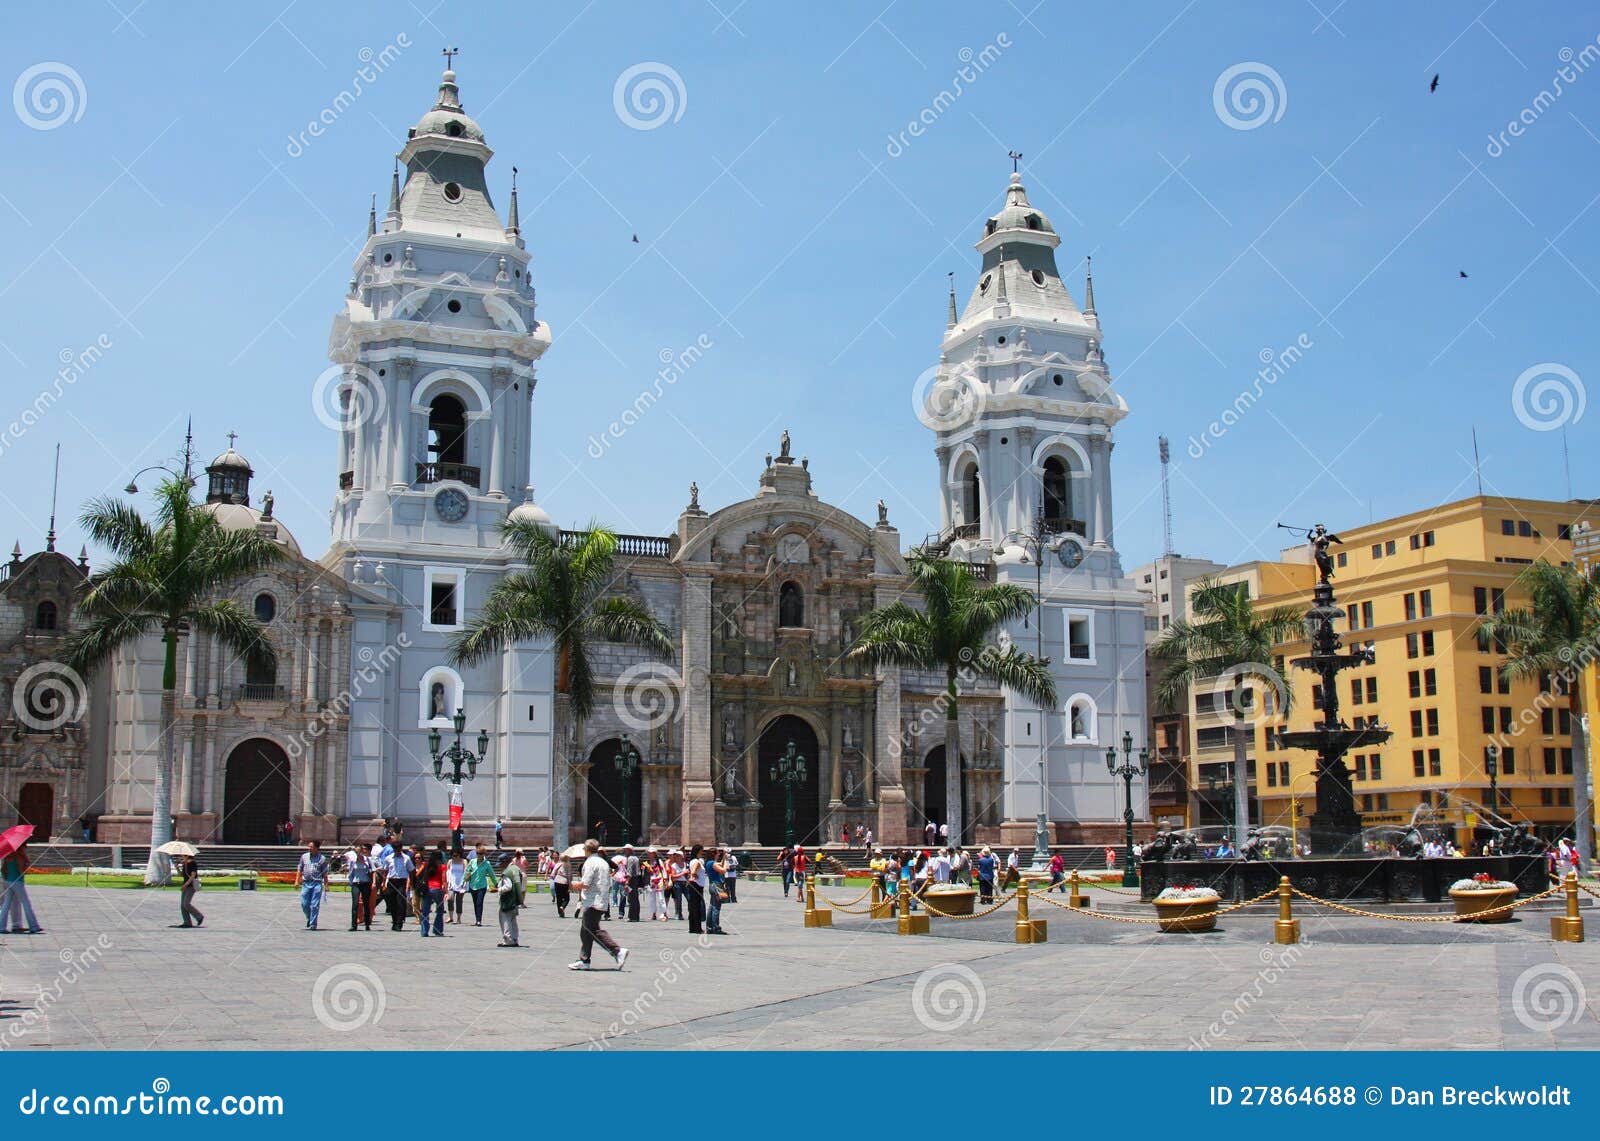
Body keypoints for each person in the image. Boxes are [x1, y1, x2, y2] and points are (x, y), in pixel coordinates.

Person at [571, 839, 628, 970]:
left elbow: (586, 883)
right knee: (585, 931)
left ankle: (617, 951)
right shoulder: (603, 862)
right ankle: (584, 960)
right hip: (601, 900)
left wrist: (573, 885)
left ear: (587, 849)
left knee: (593, 930)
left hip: (592, 901)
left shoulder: (590, 863)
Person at [1, 844, 42, 935]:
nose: (25, 850)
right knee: (26, 903)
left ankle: (1, 926)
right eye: (24, 848)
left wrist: (7, 879)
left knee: (6, 904)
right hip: (17, 882)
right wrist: (27, 862)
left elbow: (3, 870)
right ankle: (34, 926)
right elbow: (21, 872)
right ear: (21, 848)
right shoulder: (19, 857)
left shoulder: (8, 856)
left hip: (8, 881)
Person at [295, 840, 329, 930]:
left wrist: (326, 884)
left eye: (311, 847)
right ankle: (309, 918)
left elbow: (325, 873)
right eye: (309, 847)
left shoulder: (322, 859)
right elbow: (300, 869)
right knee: (304, 904)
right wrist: (297, 881)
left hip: (317, 883)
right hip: (306, 883)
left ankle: (313, 924)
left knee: (314, 904)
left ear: (317, 848)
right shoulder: (304, 856)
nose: (309, 848)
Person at [383, 840, 414, 931]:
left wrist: (411, 882)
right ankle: (394, 920)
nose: (397, 851)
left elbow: (411, 870)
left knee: (400, 902)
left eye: (398, 849)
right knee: (392, 902)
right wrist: (384, 883)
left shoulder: (406, 858)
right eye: (395, 849)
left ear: (401, 848)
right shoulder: (388, 858)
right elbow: (385, 871)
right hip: (392, 881)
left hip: (402, 881)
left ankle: (399, 923)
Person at [497, 853, 525, 948]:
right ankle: (514, 938)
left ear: (505, 862)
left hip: (508, 899)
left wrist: (498, 889)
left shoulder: (507, 872)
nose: (500, 866)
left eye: (501, 863)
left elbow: (508, 886)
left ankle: (508, 939)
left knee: (505, 919)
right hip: (515, 898)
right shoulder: (516, 869)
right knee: (513, 920)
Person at [347, 843, 374, 930]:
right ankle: (353, 925)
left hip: (365, 883)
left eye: (360, 852)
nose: (358, 854)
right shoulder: (353, 861)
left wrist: (373, 883)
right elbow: (351, 872)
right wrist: (351, 882)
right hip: (356, 883)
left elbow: (373, 871)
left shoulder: (368, 860)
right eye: (357, 852)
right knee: (355, 903)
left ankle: (367, 924)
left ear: (363, 852)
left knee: (366, 903)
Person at [467, 844, 496, 925]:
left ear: (484, 854)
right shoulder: (472, 862)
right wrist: (463, 881)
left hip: (482, 886)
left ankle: (479, 920)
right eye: (478, 853)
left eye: (481, 853)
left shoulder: (487, 863)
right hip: (473, 885)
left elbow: (492, 874)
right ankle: (477, 918)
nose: (479, 855)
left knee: (479, 902)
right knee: (475, 903)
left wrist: (496, 883)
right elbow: (467, 871)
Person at [685, 844, 707, 934]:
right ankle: (698, 928)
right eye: (702, 850)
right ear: (698, 851)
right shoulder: (697, 862)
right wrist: (695, 875)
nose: (703, 852)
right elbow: (693, 872)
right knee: (697, 907)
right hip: (696, 885)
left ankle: (692, 927)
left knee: (692, 907)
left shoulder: (692, 861)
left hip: (693, 885)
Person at [705, 847, 728, 935]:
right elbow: (723, 870)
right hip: (717, 886)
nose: (719, 855)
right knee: (716, 907)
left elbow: (720, 864)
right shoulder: (713, 863)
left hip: (712, 885)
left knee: (711, 906)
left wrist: (724, 858)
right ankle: (716, 927)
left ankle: (709, 927)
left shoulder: (709, 863)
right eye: (718, 853)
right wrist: (726, 862)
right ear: (714, 854)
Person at [178, 855, 205, 928]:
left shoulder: (192, 863)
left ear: (187, 856)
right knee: (182, 905)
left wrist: (186, 885)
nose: (181, 857)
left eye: (183, 855)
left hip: (191, 886)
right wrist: (177, 867)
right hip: (185, 885)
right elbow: (182, 875)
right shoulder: (185, 864)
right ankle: (187, 922)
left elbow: (193, 875)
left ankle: (199, 916)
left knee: (186, 903)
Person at [446, 849, 468, 925]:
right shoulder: (450, 861)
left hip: (461, 883)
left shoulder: (464, 861)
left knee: (459, 901)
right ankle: (451, 917)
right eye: (453, 855)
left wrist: (464, 882)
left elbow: (466, 871)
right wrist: (447, 882)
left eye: (456, 855)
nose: (454, 857)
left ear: (460, 855)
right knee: (450, 899)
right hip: (452, 883)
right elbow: (447, 872)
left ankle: (459, 918)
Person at [547, 848, 571, 919]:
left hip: (557, 881)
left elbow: (552, 874)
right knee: (567, 898)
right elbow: (569, 876)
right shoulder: (568, 865)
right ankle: (562, 907)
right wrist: (570, 885)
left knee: (559, 898)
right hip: (565, 882)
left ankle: (560, 912)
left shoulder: (557, 864)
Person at [624, 844, 643, 923]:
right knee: (635, 898)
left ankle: (631, 916)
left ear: (629, 850)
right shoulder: (636, 858)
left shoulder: (630, 859)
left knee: (631, 899)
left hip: (632, 879)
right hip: (636, 879)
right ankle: (636, 916)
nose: (624, 851)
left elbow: (629, 871)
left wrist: (627, 882)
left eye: (626, 849)